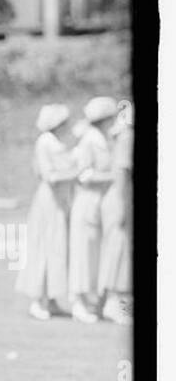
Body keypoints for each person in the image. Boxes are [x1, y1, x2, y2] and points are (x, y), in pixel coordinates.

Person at [16, 104, 79, 320]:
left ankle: (52, 299)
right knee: (44, 247)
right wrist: (77, 172)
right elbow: (49, 175)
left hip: (61, 201)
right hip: (49, 202)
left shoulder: (57, 143)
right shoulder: (45, 142)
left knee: (58, 249)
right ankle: (37, 300)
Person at [66, 96, 118, 323]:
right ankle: (78, 301)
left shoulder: (104, 139)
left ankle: (92, 300)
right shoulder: (89, 141)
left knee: (96, 254)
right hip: (88, 200)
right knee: (83, 253)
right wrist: (113, 177)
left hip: (102, 202)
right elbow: (85, 175)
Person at [97, 109, 133, 325]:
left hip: (121, 198)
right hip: (120, 199)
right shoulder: (127, 137)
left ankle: (113, 303)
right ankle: (113, 304)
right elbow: (121, 173)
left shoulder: (124, 136)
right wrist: (122, 205)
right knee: (118, 251)